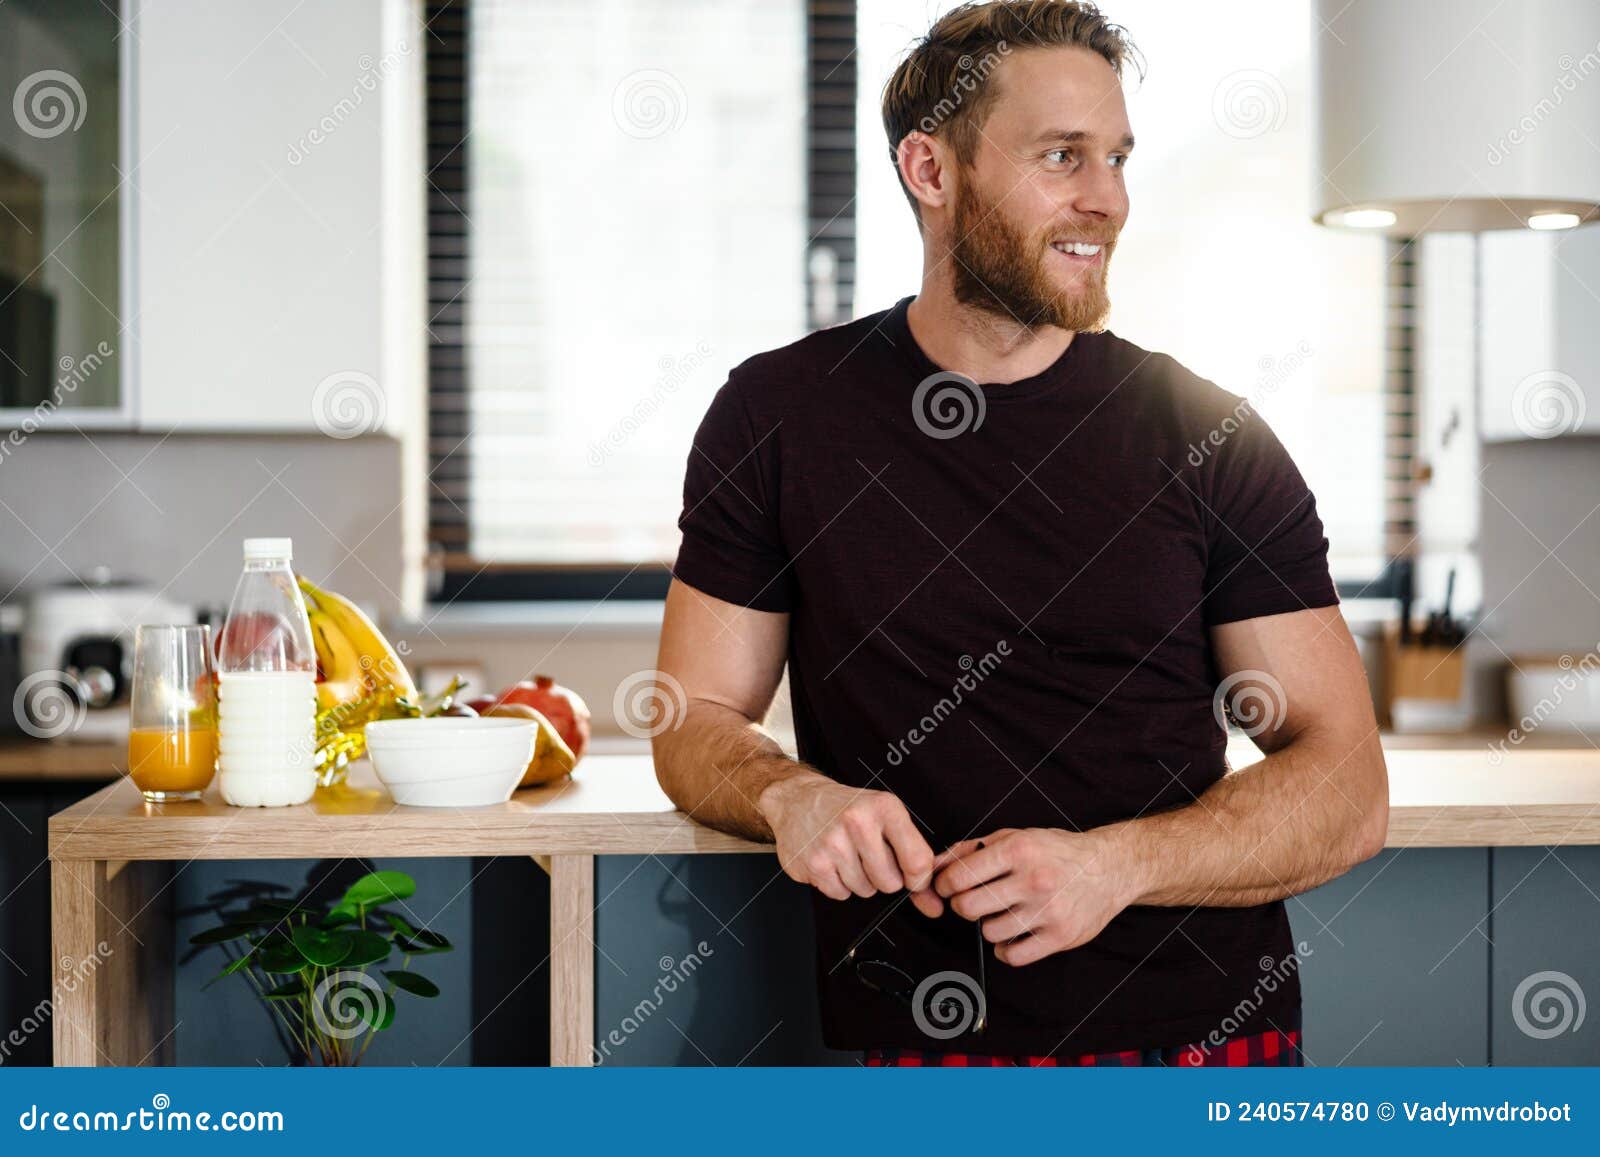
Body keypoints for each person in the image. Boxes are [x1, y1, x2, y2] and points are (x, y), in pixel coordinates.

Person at [652, 0, 1388, 1067]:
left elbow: (1346, 784)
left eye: (1120, 158)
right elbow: (690, 719)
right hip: (909, 1045)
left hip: (1195, 1041)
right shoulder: (779, 415)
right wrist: (788, 792)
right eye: (1062, 156)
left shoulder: (1209, 434)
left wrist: (1112, 866)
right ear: (930, 169)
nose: (1107, 200)